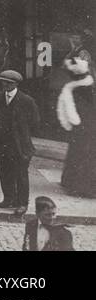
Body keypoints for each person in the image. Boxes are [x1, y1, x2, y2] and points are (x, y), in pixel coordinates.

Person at [0, 69, 38, 214]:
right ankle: (8, 199)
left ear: (16, 84)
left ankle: (22, 203)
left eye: (8, 83)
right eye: (3, 82)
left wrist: (23, 132)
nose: (5, 85)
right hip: (3, 143)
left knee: (21, 174)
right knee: (4, 171)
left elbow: (35, 121)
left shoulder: (26, 100)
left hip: (20, 144)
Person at [58, 55, 96, 197]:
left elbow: (70, 111)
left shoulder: (73, 89)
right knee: (88, 155)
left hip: (82, 127)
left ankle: (78, 186)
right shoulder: (89, 86)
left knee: (79, 154)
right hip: (90, 126)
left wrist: (73, 123)